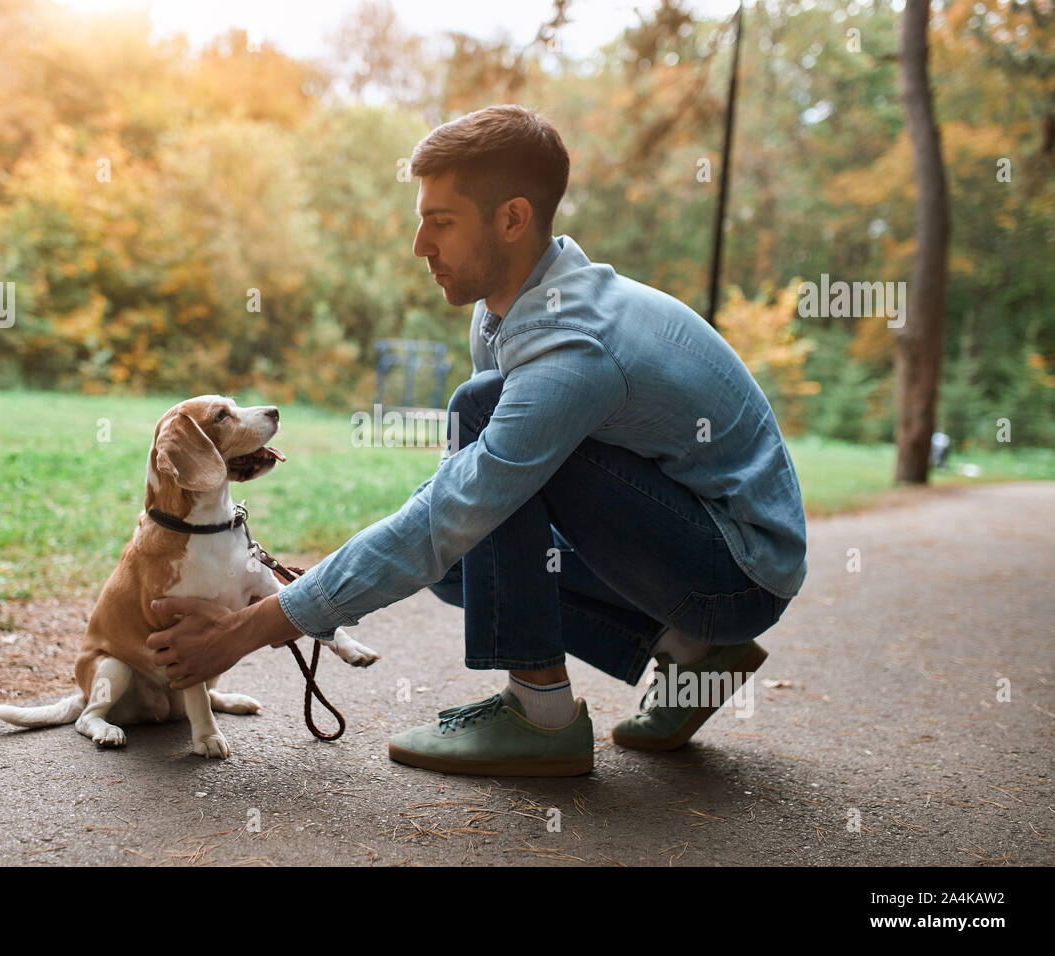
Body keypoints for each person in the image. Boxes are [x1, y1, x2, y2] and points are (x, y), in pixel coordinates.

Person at [146, 104, 807, 776]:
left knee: (476, 439)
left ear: (513, 219)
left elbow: (462, 506)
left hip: (737, 572)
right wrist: (306, 589)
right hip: (692, 542)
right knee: (465, 557)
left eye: (441, 222)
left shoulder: (570, 349)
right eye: (420, 220)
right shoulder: (507, 312)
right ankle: (693, 656)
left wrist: (245, 631)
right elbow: (453, 509)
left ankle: (539, 715)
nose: (419, 246)